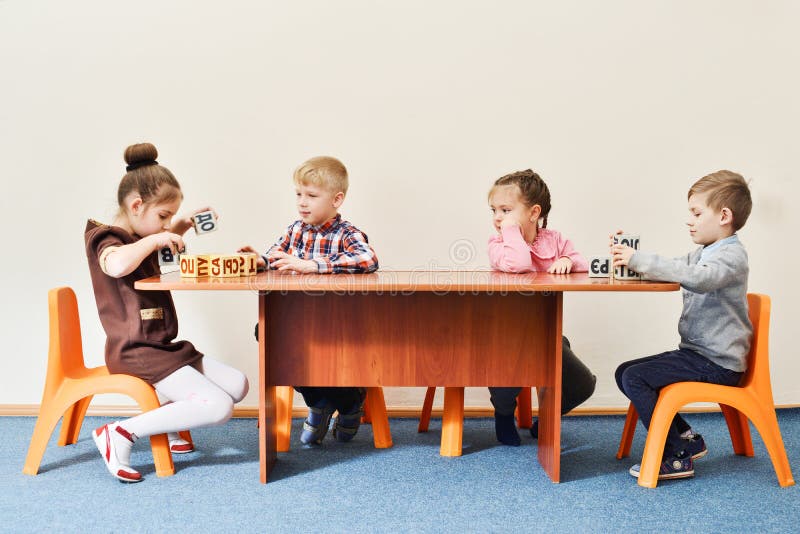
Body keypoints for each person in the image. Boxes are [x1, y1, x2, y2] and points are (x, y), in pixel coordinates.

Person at [85, 142, 249, 482]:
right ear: (136, 205)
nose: (166, 224)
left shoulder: (139, 236)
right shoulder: (105, 238)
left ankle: (171, 429)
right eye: (163, 216)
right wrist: (157, 239)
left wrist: (181, 227)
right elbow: (116, 265)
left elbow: (157, 251)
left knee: (238, 384)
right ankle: (118, 433)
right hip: (135, 350)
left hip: (163, 345)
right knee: (219, 407)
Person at [612, 170, 753, 481]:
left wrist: (639, 259)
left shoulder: (731, 257)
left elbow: (698, 279)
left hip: (718, 364)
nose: (689, 220)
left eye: (696, 213)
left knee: (636, 378)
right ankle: (686, 439)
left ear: (724, 216)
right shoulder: (705, 252)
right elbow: (675, 268)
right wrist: (628, 260)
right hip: (698, 354)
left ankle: (674, 456)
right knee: (625, 372)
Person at [239, 156, 378, 445]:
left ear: (337, 199)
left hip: (336, 322)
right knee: (265, 332)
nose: (303, 202)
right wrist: (258, 259)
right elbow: (275, 257)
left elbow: (368, 259)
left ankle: (344, 401)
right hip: (297, 318)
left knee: (325, 345)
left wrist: (312, 265)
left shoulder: (346, 233)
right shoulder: (295, 231)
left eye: (312, 196)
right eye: (299, 195)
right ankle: (328, 401)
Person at [487, 169, 596, 446]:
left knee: (584, 383)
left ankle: (546, 418)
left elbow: (584, 264)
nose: (498, 217)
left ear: (534, 213)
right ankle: (502, 414)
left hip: (544, 334)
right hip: (507, 336)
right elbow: (520, 264)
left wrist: (569, 261)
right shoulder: (498, 245)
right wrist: (512, 229)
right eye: (494, 210)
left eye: (506, 210)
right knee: (505, 376)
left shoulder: (555, 240)